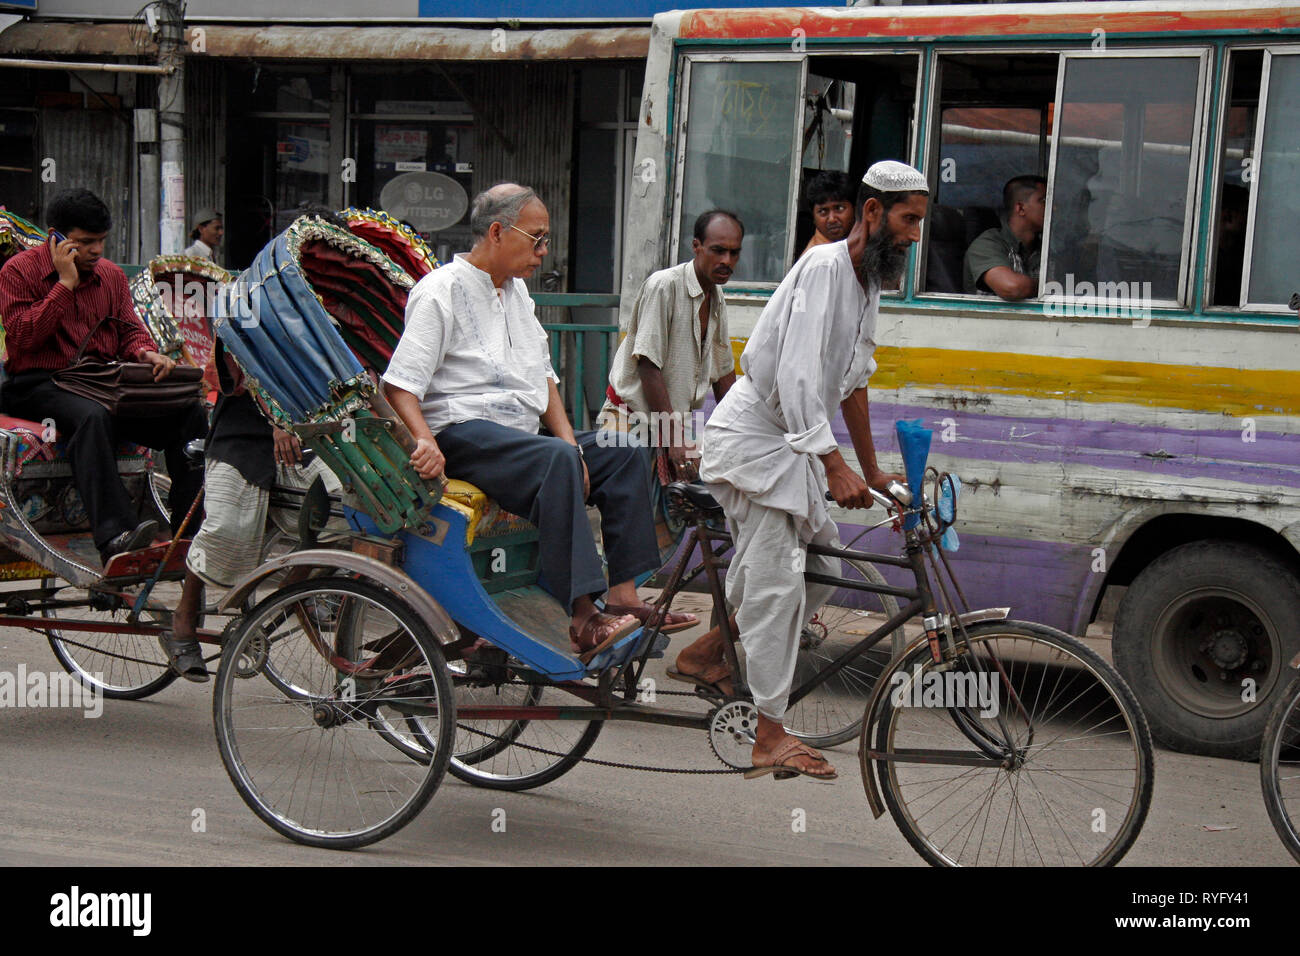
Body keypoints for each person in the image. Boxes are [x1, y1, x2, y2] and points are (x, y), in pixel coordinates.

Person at [681, 160, 925, 780]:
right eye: (909, 220)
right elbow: (793, 380)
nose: (916, 235)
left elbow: (855, 383)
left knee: (823, 567)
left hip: (788, 445)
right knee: (776, 585)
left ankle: (711, 650)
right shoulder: (821, 268)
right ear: (872, 213)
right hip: (754, 443)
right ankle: (767, 734)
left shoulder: (867, 282)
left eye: (921, 221)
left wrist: (870, 471)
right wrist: (834, 464)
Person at [382, 183, 696, 660]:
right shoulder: (440, 291)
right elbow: (401, 384)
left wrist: (572, 444)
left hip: (520, 440)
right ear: (495, 232)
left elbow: (545, 379)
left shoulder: (519, 294)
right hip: (465, 434)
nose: (543, 252)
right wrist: (424, 441)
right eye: (536, 238)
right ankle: (583, 614)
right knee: (553, 459)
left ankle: (625, 594)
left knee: (624, 448)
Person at [0, 188, 206, 565]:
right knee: (92, 416)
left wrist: (146, 351)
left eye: (101, 241)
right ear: (56, 238)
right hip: (39, 383)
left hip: (103, 381)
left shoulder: (110, 276)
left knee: (191, 413)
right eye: (85, 242)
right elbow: (25, 336)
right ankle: (115, 534)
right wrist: (64, 284)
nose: (96, 250)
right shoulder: (18, 271)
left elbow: (128, 328)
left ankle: (189, 530)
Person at [168, 340, 341, 680]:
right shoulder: (251, 299)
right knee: (224, 527)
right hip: (242, 434)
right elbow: (241, 360)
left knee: (344, 510)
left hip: (309, 432)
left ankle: (284, 598)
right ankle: (184, 618)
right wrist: (277, 419)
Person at [600, 208, 740, 483]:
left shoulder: (716, 295)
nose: (727, 260)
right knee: (627, 518)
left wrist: (739, 429)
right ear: (696, 246)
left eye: (734, 253)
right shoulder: (663, 286)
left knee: (676, 518)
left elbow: (723, 372)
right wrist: (674, 437)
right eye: (718, 250)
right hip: (629, 418)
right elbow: (648, 365)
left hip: (675, 422)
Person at [963, 174, 1045, 299]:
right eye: (1043, 201)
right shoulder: (986, 245)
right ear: (1021, 208)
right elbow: (1011, 288)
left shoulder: (1044, 248)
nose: (1053, 208)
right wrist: (1052, 286)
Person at [800, 170, 857, 258]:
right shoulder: (820, 260)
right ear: (813, 218)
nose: (832, 219)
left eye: (839, 208)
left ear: (855, 209)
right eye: (823, 211)